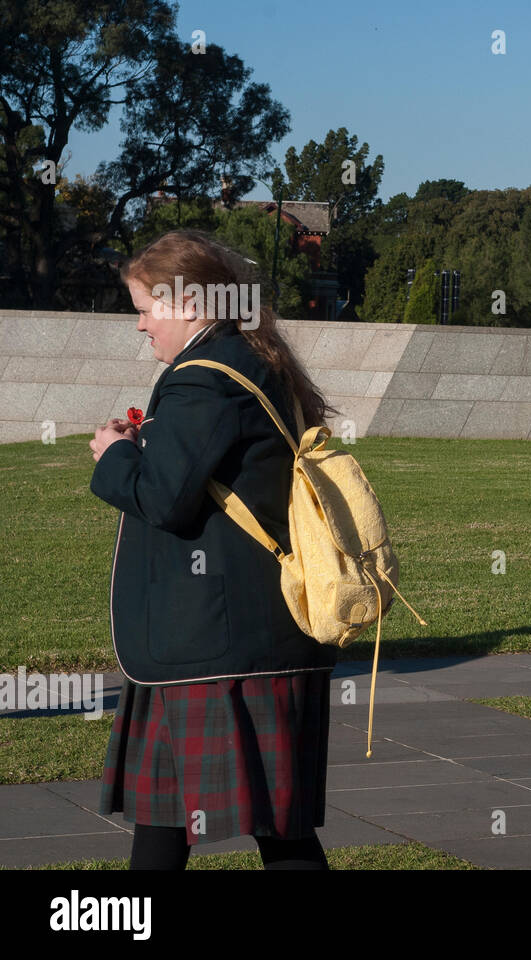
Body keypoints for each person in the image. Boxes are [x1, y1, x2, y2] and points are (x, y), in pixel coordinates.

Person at [89, 230, 340, 870]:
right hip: (236, 639)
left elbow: (166, 499)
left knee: (270, 835)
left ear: (192, 306)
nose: (140, 324)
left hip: (218, 645)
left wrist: (114, 455)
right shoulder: (250, 361)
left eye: (147, 307)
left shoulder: (201, 379)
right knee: (183, 824)